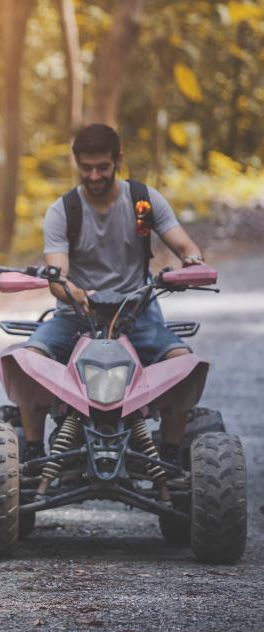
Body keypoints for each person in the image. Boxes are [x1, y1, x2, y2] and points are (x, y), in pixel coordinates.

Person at [20, 123, 205, 465]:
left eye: (102, 167)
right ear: (76, 163)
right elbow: (56, 276)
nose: (94, 176)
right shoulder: (63, 210)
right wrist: (73, 291)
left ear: (118, 160)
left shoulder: (143, 201)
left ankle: (171, 454)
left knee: (183, 363)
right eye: (86, 167)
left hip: (135, 314)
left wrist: (191, 261)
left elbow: (183, 244)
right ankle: (32, 452)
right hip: (76, 314)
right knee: (30, 360)